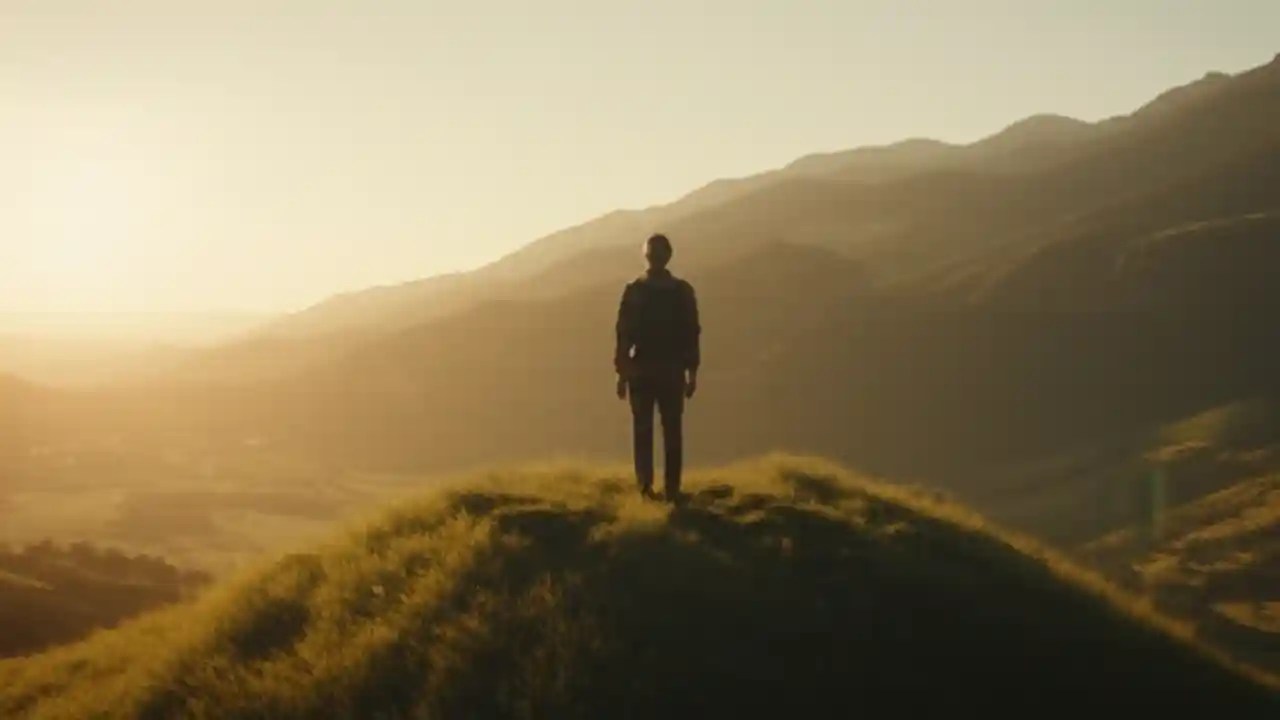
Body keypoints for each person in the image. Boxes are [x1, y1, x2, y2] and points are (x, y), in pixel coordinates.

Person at [614, 233, 701, 503]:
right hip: (671, 369)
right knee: (672, 429)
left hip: (642, 368)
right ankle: (670, 488)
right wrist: (691, 373)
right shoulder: (682, 291)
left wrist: (622, 372)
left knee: (644, 430)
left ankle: (645, 487)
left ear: (647, 256)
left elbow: (623, 334)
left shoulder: (635, 290)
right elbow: (691, 334)